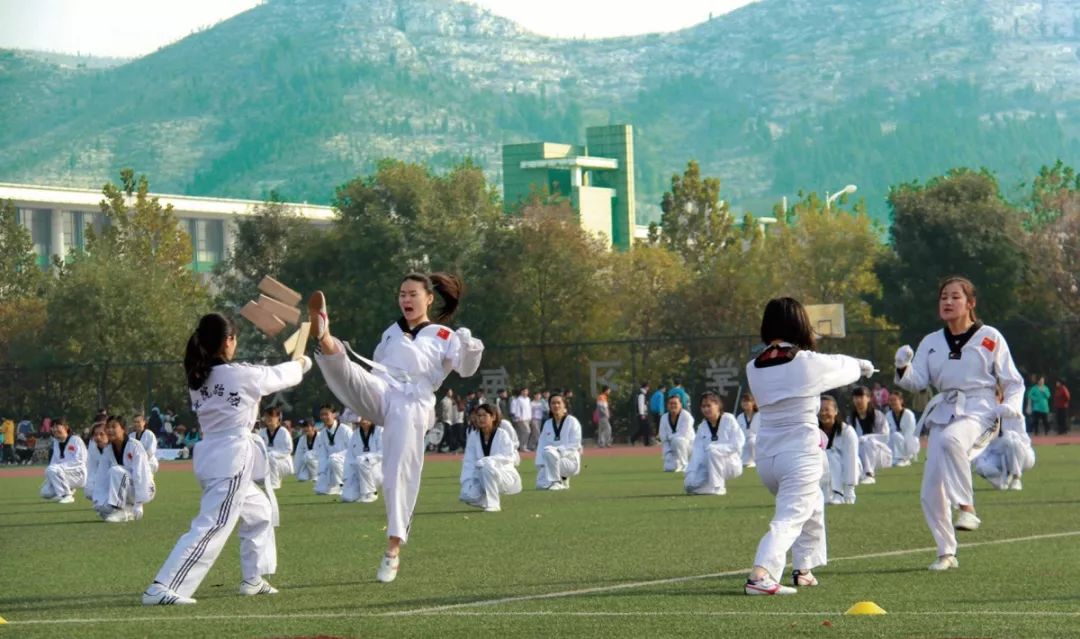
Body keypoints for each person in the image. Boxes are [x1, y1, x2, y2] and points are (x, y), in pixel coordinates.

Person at [309, 272, 483, 583]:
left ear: (429, 298)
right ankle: (323, 335)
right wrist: (356, 405)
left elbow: (467, 370)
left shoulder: (444, 334)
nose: (406, 299)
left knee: (397, 473)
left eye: (413, 294)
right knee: (349, 370)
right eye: (402, 294)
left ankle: (393, 548)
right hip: (383, 391)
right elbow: (373, 372)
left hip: (413, 404)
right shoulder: (390, 332)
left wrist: (469, 346)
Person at [144, 312, 310, 605]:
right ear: (228, 341)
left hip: (213, 453)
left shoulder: (198, 377)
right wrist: (302, 364)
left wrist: (296, 365)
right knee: (213, 524)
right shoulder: (239, 374)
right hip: (231, 455)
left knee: (259, 512)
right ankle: (163, 586)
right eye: (234, 339)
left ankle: (253, 578)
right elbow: (282, 376)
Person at [744, 297, 874, 595]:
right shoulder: (806, 363)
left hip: (767, 459)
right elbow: (842, 366)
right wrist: (862, 366)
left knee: (812, 505)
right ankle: (760, 575)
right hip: (799, 455)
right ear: (800, 324)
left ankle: (803, 568)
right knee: (790, 517)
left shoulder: (753, 367)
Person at [894, 276, 1023, 572]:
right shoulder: (931, 342)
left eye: (955, 297)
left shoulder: (990, 337)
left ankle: (968, 509)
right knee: (930, 490)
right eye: (943, 297)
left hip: (980, 410)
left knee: (952, 440)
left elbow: (1013, 381)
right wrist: (902, 366)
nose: (948, 302)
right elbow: (918, 382)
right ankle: (946, 552)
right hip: (945, 410)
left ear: (971, 303)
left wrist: (1011, 406)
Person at [94, 415, 156, 523]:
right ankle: (125, 510)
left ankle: (119, 509)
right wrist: (100, 501)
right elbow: (102, 476)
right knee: (111, 473)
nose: (110, 430)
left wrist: (139, 503)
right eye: (108, 427)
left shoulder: (135, 446)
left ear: (123, 429)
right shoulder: (108, 449)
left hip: (143, 489)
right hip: (126, 486)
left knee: (116, 470)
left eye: (114, 427)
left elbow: (141, 474)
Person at [460, 404, 521, 512]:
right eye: (479, 416)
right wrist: (466, 482)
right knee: (466, 495)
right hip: (481, 477)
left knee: (486, 466)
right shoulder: (473, 436)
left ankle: (494, 504)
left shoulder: (502, 434)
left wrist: (489, 460)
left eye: (484, 415)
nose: (481, 418)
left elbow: (509, 456)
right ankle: (487, 500)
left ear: (493, 417)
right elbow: (468, 461)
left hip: (504, 476)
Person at [975, 386, 1035, 491]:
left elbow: (1024, 441)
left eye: (996, 396)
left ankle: (1016, 478)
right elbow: (983, 444)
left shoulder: (1012, 412)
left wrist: (1015, 415)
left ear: (1001, 396)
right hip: (998, 454)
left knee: (1011, 438)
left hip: (1021, 455)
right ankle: (1001, 480)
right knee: (980, 466)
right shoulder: (984, 417)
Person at [684, 392, 744, 495]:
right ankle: (707, 487)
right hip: (708, 464)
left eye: (709, 405)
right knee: (690, 485)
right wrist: (690, 472)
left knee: (712, 450)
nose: (706, 409)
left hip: (730, 463)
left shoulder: (728, 419)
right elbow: (697, 454)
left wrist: (717, 449)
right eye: (703, 406)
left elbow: (738, 443)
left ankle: (718, 488)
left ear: (717, 405)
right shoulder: (702, 427)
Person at [535, 393, 582, 490]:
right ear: (549, 406)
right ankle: (563, 479)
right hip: (550, 460)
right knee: (540, 485)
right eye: (553, 403)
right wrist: (540, 464)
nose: (556, 405)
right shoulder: (547, 424)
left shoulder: (572, 421)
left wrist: (557, 451)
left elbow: (575, 444)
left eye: (558, 403)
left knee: (550, 452)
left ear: (564, 405)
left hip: (570, 461)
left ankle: (557, 482)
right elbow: (541, 445)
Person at [819, 395, 859, 505]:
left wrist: (849, 492)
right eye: (820, 410)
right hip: (823, 472)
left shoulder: (847, 431)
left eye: (827, 410)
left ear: (836, 411)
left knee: (830, 454)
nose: (823, 413)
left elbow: (851, 461)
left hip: (845, 468)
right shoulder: (814, 432)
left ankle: (838, 494)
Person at [848, 386, 892, 484]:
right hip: (859, 454)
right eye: (855, 397)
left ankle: (869, 474)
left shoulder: (878, 415)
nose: (858, 400)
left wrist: (866, 437)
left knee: (868, 442)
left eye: (861, 396)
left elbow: (885, 437)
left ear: (868, 398)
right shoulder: (851, 418)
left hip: (879, 454)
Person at [39, 419, 87, 503]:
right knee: (45, 492)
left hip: (79, 474)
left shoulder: (76, 440)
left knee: (52, 469)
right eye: (53, 427)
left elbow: (80, 461)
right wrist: (51, 475)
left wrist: (58, 468)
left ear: (66, 428)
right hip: (63, 473)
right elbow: (53, 462)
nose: (54, 430)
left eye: (57, 427)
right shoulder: (56, 443)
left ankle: (67, 495)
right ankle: (69, 489)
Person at [342, 417, 384, 503]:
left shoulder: (380, 430)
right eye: (362, 419)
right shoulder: (356, 434)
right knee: (347, 497)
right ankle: (363, 493)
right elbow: (349, 457)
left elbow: (384, 452)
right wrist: (347, 478)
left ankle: (372, 493)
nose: (364, 421)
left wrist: (368, 458)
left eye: (366, 418)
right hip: (360, 470)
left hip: (379, 469)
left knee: (362, 460)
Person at [313, 405, 351, 496]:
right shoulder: (322, 433)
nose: (324, 417)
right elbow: (322, 454)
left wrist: (337, 456)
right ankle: (335, 486)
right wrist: (322, 472)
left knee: (334, 459)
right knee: (319, 490)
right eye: (322, 415)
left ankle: (344, 486)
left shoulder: (345, 429)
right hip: (331, 464)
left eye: (326, 414)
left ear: (334, 415)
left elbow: (353, 450)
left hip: (346, 463)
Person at [259, 406, 294, 489]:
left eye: (271, 416)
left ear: (278, 418)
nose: (268, 418)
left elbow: (288, 449)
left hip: (284, 463)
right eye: (266, 416)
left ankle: (274, 484)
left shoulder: (283, 432)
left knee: (270, 457)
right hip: (268, 463)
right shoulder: (262, 432)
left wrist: (272, 454)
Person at [658, 394, 695, 473]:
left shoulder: (686, 416)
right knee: (669, 468)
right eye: (671, 403)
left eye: (675, 403)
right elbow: (663, 438)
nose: (673, 405)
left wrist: (670, 438)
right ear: (667, 405)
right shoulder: (664, 417)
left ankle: (685, 465)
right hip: (673, 447)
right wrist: (667, 453)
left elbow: (684, 435)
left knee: (678, 440)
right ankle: (677, 463)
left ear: (680, 405)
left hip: (690, 447)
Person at [886, 389, 919, 466]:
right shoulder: (888, 415)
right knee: (892, 436)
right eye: (890, 400)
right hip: (895, 443)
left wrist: (906, 452)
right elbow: (888, 432)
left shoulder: (909, 414)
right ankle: (894, 458)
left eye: (895, 400)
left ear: (901, 401)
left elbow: (910, 433)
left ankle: (904, 459)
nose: (892, 402)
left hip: (909, 443)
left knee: (896, 435)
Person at [85, 421, 109, 502]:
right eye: (95, 435)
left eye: (102, 434)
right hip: (102, 478)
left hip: (118, 479)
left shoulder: (115, 447)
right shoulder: (93, 448)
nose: (98, 437)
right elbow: (92, 469)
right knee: (88, 491)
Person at [736, 393, 760, 468]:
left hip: (758, 442)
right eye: (743, 401)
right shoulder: (739, 417)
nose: (745, 403)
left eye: (747, 401)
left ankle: (754, 461)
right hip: (744, 443)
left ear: (753, 402)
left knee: (751, 441)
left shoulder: (760, 415)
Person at [510, 387, 532, 452]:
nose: (525, 392)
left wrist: (530, 417)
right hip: (521, 419)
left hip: (528, 418)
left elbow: (529, 409)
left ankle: (520, 446)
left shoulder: (528, 399)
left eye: (526, 391)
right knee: (527, 431)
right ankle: (523, 446)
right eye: (524, 391)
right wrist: (518, 417)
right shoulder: (518, 399)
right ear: (521, 392)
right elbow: (517, 409)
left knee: (521, 433)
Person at [632, 382, 652, 446]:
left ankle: (633, 438)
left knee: (642, 429)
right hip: (642, 414)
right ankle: (647, 442)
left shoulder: (643, 394)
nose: (648, 388)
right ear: (645, 387)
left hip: (643, 414)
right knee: (646, 428)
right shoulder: (641, 395)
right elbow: (641, 405)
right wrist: (642, 414)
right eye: (648, 387)